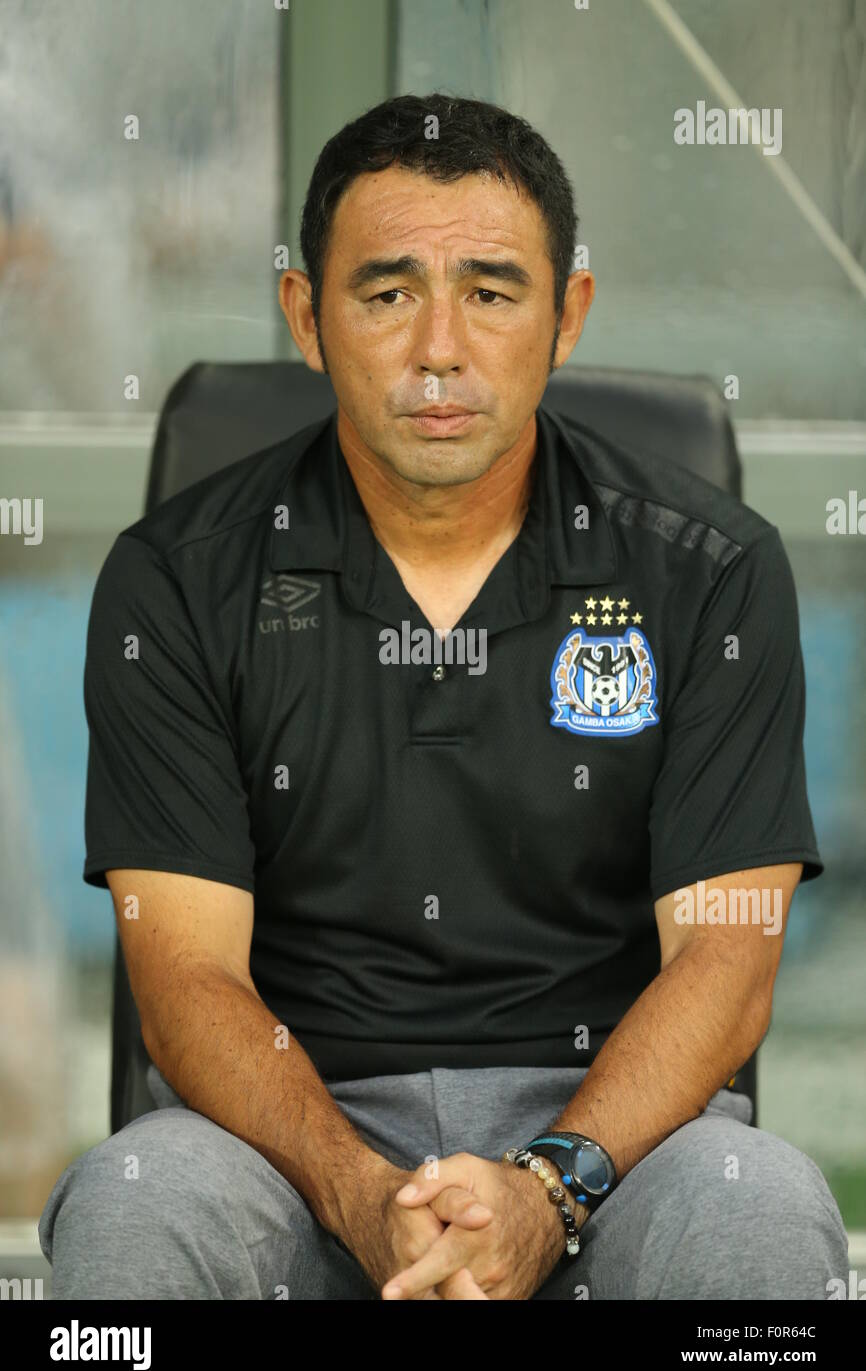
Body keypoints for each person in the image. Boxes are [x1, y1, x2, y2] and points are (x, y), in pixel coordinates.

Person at [39, 93, 848, 1300]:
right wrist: (361, 1194)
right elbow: (186, 980)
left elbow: (723, 965)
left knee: (760, 1210)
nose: (437, 350)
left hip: (610, 1138)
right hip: (284, 1140)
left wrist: (544, 1188)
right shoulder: (181, 577)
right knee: (134, 1206)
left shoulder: (704, 569)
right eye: (385, 293)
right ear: (305, 318)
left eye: (490, 291)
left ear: (564, 313)